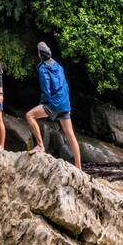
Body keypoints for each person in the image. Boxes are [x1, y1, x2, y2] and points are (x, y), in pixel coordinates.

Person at [27, 41, 82, 169]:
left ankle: (40, 145)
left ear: (40, 54)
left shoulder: (43, 69)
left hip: (54, 103)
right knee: (71, 135)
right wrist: (67, 105)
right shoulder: (59, 66)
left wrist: (43, 104)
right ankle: (79, 167)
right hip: (65, 103)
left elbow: (46, 90)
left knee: (30, 115)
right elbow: (65, 85)